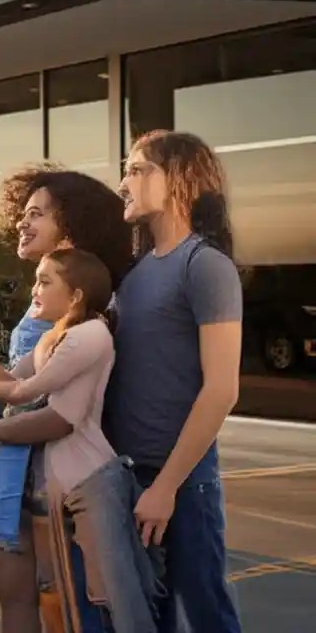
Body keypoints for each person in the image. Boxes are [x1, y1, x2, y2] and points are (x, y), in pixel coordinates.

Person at [0, 249, 163, 633]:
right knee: (79, 597)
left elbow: (44, 403)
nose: (35, 289)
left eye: (46, 281)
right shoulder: (55, 338)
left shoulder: (90, 335)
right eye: (36, 279)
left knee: (119, 597)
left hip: (93, 482)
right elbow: (13, 381)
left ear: (76, 295)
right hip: (64, 486)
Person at [0, 166, 132, 633]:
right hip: (19, 472)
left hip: (50, 481)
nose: (21, 222)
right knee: (17, 593)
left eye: (36, 214)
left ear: (71, 229)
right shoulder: (48, 308)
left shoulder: (79, 320)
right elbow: (12, 388)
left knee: (54, 599)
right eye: (23, 212)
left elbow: (56, 413)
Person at [106, 130, 243, 632]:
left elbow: (222, 389)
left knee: (207, 616)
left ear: (181, 180)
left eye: (139, 169)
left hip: (181, 485)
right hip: (128, 478)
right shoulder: (135, 274)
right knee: (149, 619)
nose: (125, 182)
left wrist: (165, 488)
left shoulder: (205, 266)